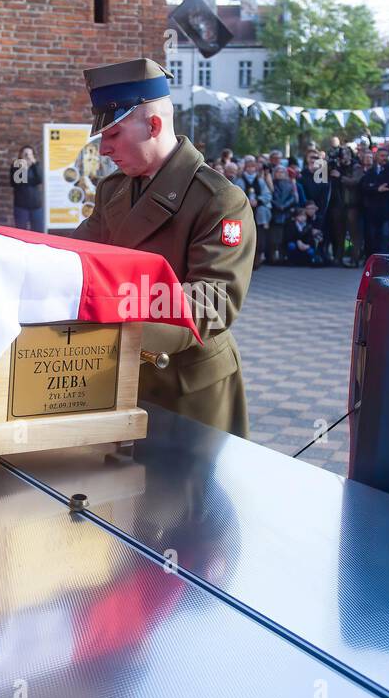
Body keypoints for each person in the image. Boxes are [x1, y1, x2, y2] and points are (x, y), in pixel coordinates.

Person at [70, 58, 254, 438]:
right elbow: (79, 257)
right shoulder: (114, 189)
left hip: (186, 386)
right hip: (123, 375)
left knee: (192, 494)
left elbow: (212, 303)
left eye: (113, 135)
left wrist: (110, 328)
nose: (104, 149)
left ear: (153, 125)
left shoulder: (218, 199)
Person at [359, 146, 389, 257]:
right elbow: (364, 187)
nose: (384, 158)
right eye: (382, 156)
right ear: (376, 157)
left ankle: (386, 262)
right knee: (371, 237)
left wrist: (373, 186)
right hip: (372, 211)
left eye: (386, 156)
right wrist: (376, 188)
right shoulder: (371, 172)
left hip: (386, 211)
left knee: (385, 237)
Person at [268, 163, 302, 263]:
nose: (280, 173)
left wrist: (285, 205)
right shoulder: (271, 184)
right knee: (275, 237)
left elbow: (293, 198)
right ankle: (273, 255)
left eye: (282, 172)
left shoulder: (290, 184)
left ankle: (283, 255)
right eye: (278, 171)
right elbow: (269, 196)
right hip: (275, 212)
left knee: (285, 237)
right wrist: (277, 205)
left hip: (287, 213)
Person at [10, 144, 44, 232]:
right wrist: (23, 165)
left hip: (36, 205)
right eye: (25, 154)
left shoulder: (36, 166)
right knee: (21, 231)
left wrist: (34, 164)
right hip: (21, 205)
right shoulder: (16, 166)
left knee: (38, 231)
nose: (28, 156)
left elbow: (40, 180)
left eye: (30, 154)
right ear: (20, 155)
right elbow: (17, 183)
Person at [283, 202, 325, 266]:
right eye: (300, 216)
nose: (302, 217)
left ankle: (309, 261)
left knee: (311, 251)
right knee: (291, 245)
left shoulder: (308, 226)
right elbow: (288, 237)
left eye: (304, 216)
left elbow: (310, 238)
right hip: (295, 243)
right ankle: (291, 261)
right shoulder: (292, 225)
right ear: (296, 217)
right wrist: (297, 241)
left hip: (305, 244)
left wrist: (307, 245)